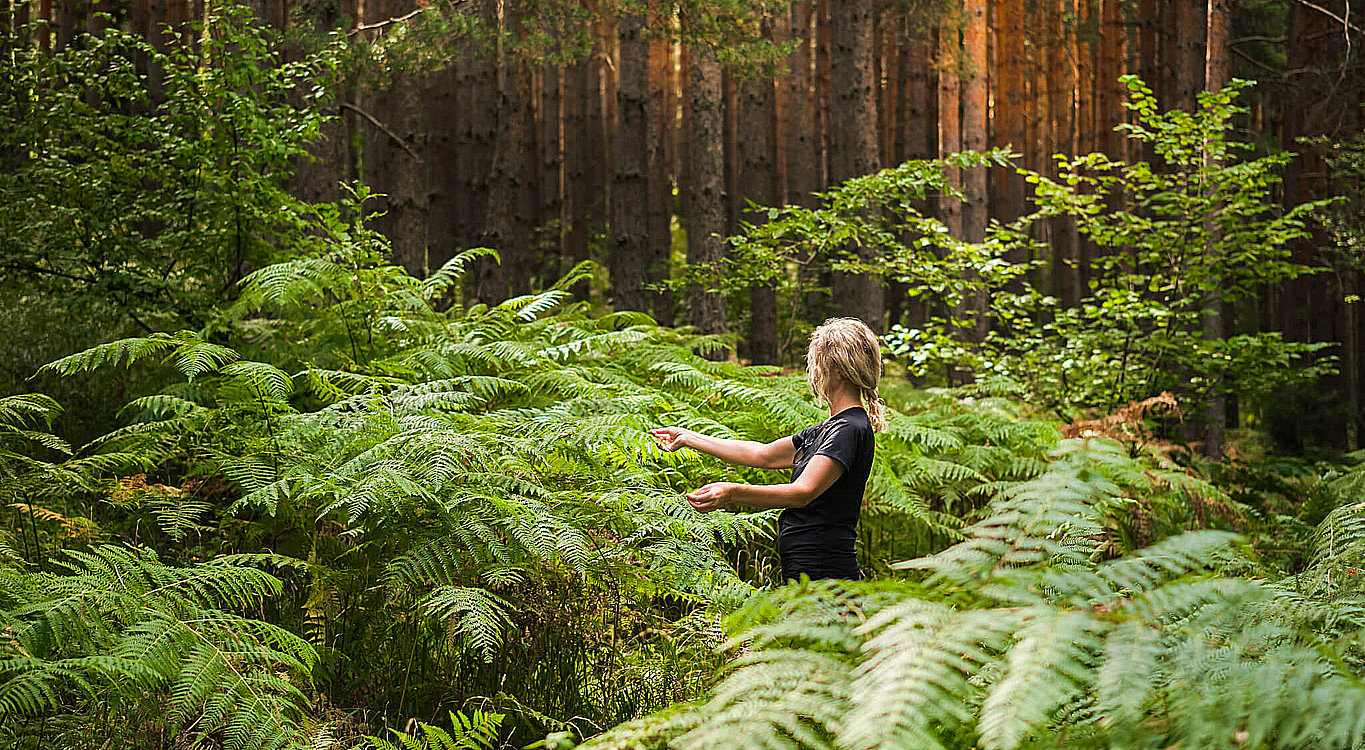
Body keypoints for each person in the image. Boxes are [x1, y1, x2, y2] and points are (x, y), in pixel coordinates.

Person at [649, 317, 887, 581]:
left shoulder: (850, 428)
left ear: (837, 369)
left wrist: (731, 492)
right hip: (809, 566)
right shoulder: (831, 428)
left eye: (816, 362)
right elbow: (761, 454)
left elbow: (802, 492)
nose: (813, 371)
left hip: (825, 569)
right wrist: (688, 437)